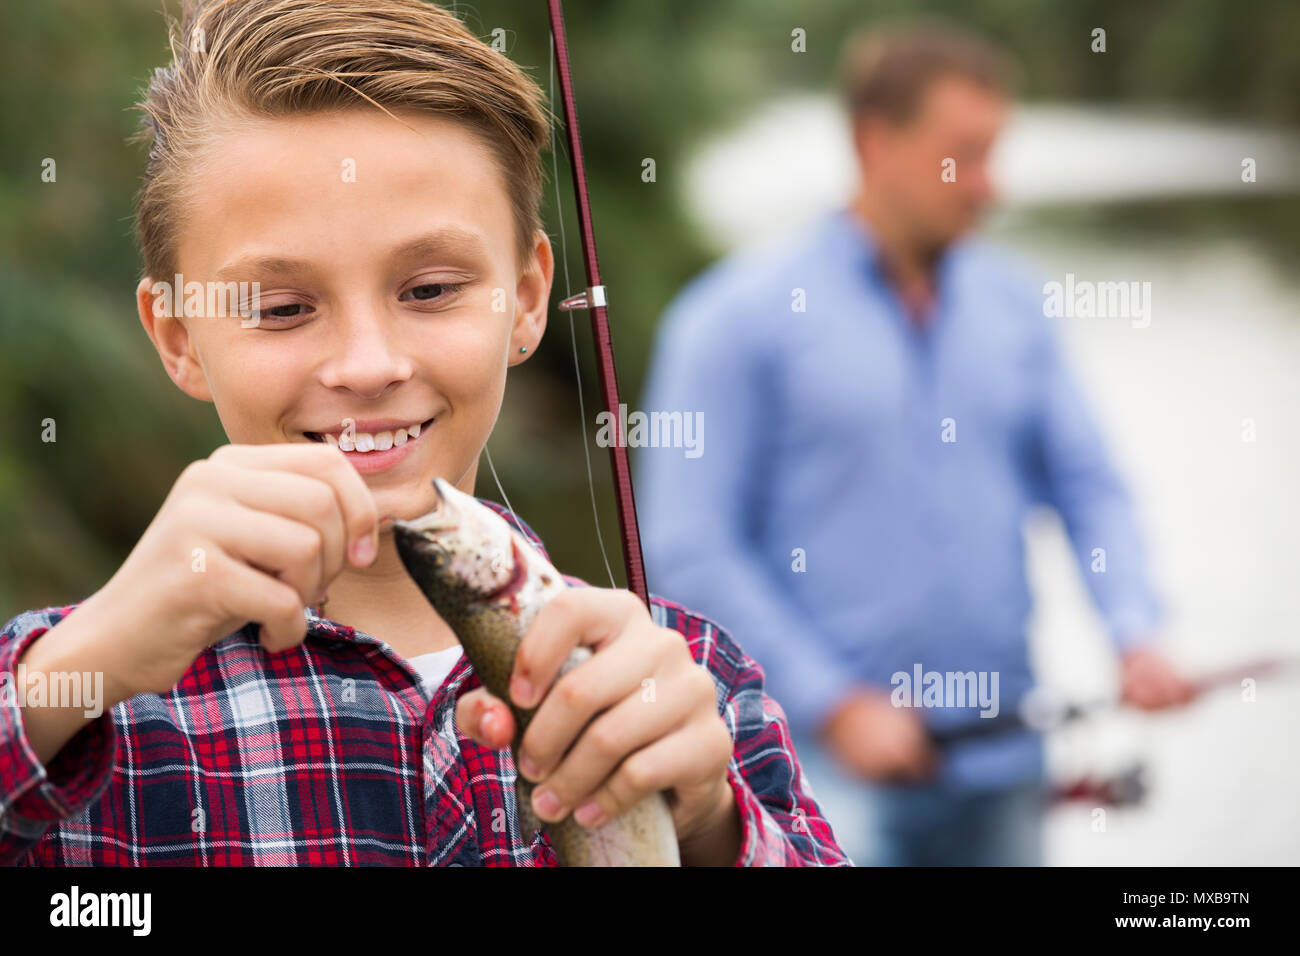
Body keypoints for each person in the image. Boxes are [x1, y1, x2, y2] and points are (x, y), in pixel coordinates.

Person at [0, 0, 850, 867]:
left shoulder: (694, 677)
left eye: (431, 289)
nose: (367, 365)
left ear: (524, 301)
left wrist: (710, 824)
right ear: (179, 335)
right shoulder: (69, 691)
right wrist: (63, 683)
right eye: (284, 308)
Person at [637, 19, 1195, 866]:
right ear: (874, 142)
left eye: (995, 152)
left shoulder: (1015, 308)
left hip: (1006, 765)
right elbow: (690, 547)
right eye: (963, 155)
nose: (988, 185)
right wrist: (835, 704)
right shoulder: (731, 321)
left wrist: (1134, 628)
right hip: (818, 778)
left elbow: (1088, 485)